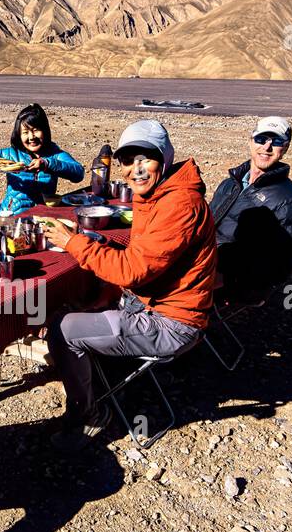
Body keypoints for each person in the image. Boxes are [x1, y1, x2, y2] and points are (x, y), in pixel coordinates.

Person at [39, 120, 217, 451]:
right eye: (127, 160)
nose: (134, 170)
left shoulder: (180, 204)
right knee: (80, 298)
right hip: (152, 304)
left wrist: (73, 242)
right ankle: (99, 373)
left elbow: (133, 271)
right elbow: (143, 260)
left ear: (163, 159)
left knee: (63, 329)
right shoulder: (159, 195)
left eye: (144, 159)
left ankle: (90, 415)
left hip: (172, 323)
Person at [208, 116, 292, 308]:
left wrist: (227, 278)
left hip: (235, 280)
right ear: (251, 141)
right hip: (206, 260)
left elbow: (284, 261)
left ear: (285, 148)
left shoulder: (289, 200)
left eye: (276, 141)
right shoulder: (231, 183)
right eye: (261, 139)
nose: (267, 147)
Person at [0, 103, 85, 217]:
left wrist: (47, 164)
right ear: (18, 135)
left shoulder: (54, 154)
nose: (31, 137)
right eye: (25, 132)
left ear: (45, 131)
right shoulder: (9, 154)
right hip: (12, 213)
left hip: (42, 215)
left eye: (36, 130)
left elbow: (78, 173)